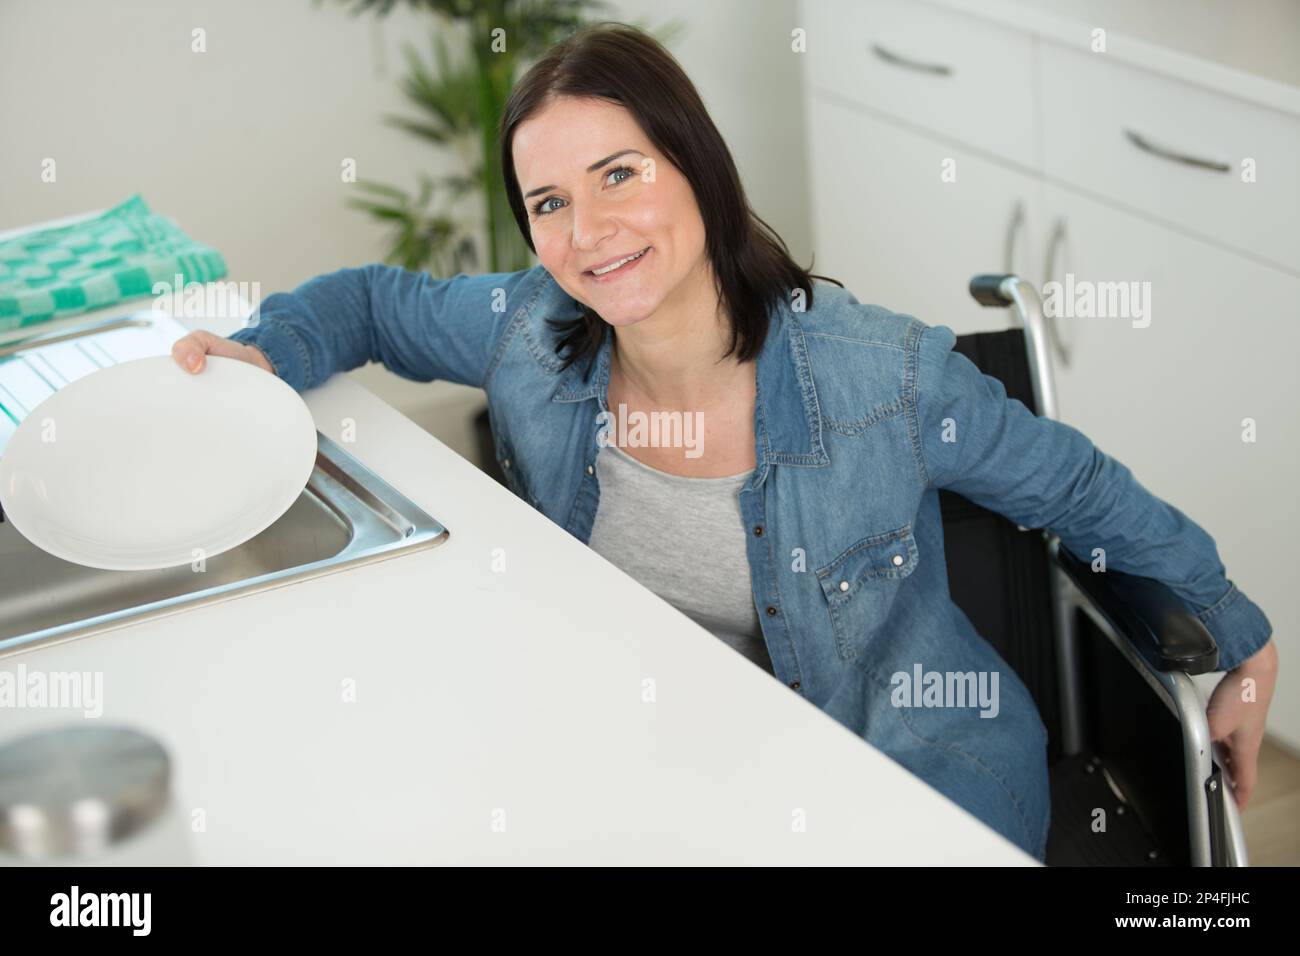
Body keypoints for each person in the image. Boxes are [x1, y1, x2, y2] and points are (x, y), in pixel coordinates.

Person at [171, 22, 1278, 862]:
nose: (588, 232)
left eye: (620, 174)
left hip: (909, 755)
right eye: (547, 202)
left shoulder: (879, 375)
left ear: (694, 165)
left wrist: (1241, 637)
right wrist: (270, 349)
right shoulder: (526, 333)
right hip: (675, 755)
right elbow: (369, 301)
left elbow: (1080, 490)